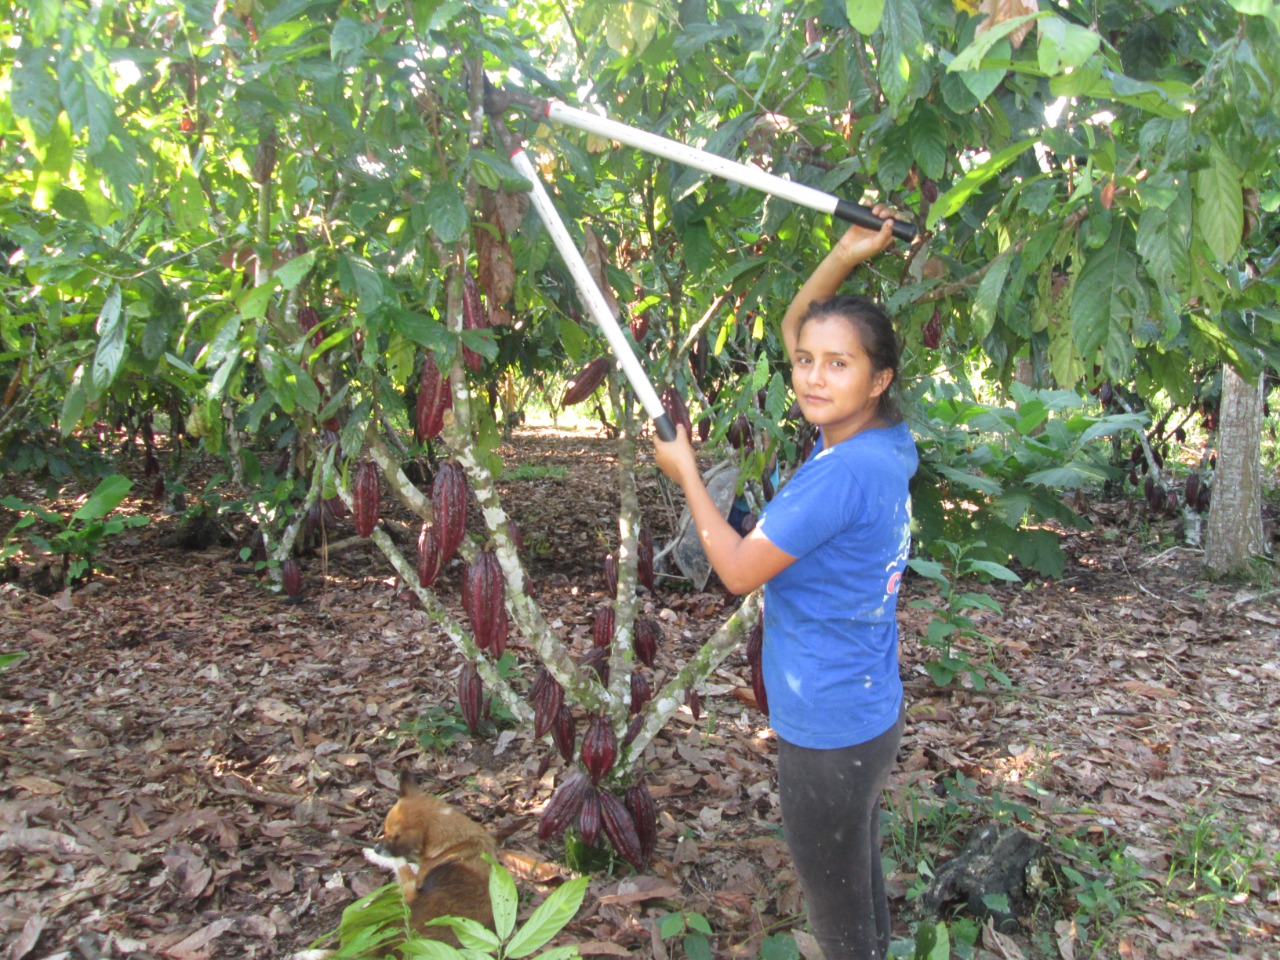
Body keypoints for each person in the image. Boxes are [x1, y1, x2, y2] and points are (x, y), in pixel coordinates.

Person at [653, 207, 917, 960]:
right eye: (806, 361)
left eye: (839, 365)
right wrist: (846, 253)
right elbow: (805, 321)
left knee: (839, 920)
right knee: (857, 884)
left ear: (880, 377)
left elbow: (737, 571)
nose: (812, 376)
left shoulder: (837, 479)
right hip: (867, 707)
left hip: (828, 729)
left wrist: (688, 478)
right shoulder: (880, 440)